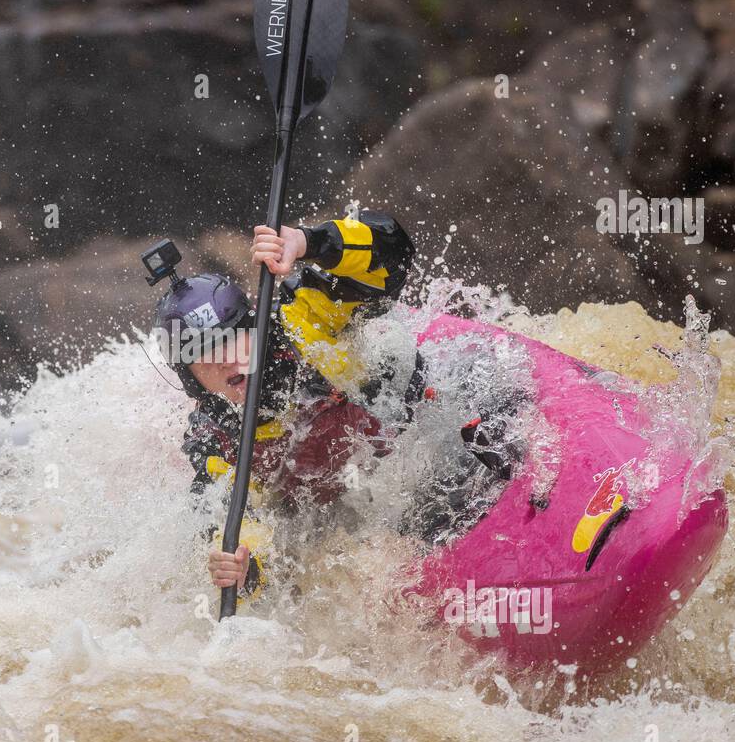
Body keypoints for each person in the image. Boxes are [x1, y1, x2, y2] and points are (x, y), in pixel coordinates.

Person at [150, 211, 516, 605]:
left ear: (251, 328)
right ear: (190, 378)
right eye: (202, 355)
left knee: (477, 416)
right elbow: (231, 526)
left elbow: (393, 257)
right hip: (347, 504)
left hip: (418, 424)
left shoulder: (302, 319)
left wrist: (308, 243)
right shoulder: (215, 440)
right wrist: (246, 570)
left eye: (229, 339)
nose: (224, 361)